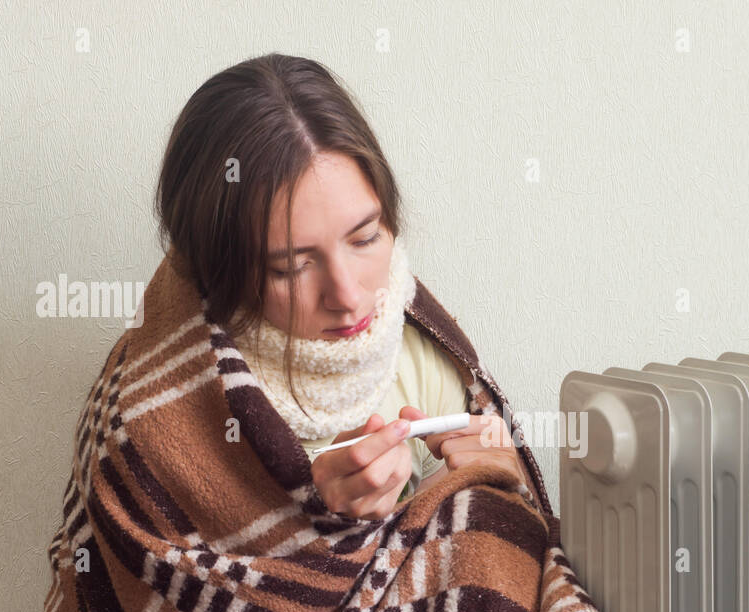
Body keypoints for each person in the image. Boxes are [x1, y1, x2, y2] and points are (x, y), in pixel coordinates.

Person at [153, 52, 533, 519]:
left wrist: (488, 493)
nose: (350, 298)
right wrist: (318, 531)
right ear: (217, 266)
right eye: (291, 267)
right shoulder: (158, 411)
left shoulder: (423, 361)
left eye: (367, 237)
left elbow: (456, 566)